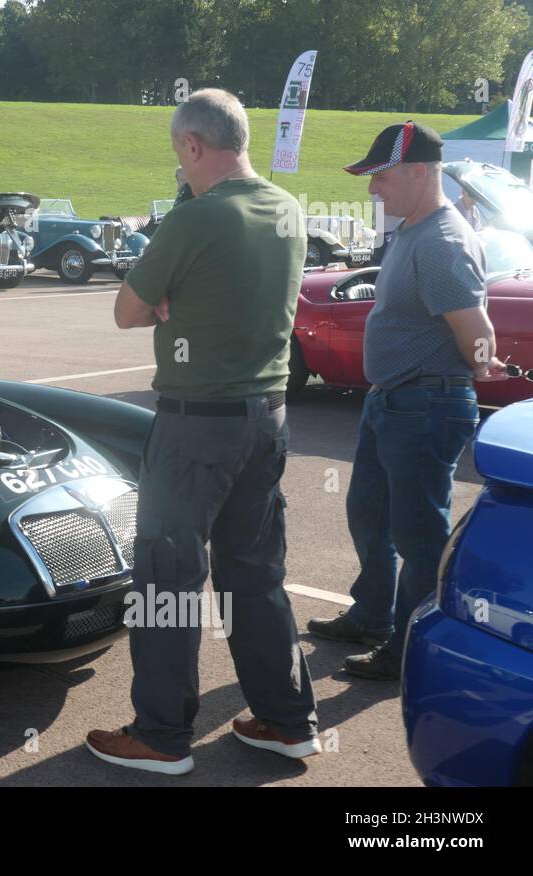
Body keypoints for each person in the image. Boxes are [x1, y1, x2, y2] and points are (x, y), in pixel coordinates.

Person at [87, 88, 319, 776]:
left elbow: (127, 311)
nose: (179, 169)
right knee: (255, 574)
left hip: (197, 426)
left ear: (193, 145)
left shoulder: (194, 219)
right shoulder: (287, 208)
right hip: (268, 416)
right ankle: (286, 720)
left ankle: (160, 736)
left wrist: (164, 298)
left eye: (178, 155)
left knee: (165, 577)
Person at [308, 121, 502, 681]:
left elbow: (476, 328)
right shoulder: (415, 230)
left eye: (381, 177)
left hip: (423, 407)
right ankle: (373, 615)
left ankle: (410, 648)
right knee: (369, 515)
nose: (372, 190)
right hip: (394, 402)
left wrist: (480, 359)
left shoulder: (442, 240)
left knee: (419, 536)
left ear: (418, 172)